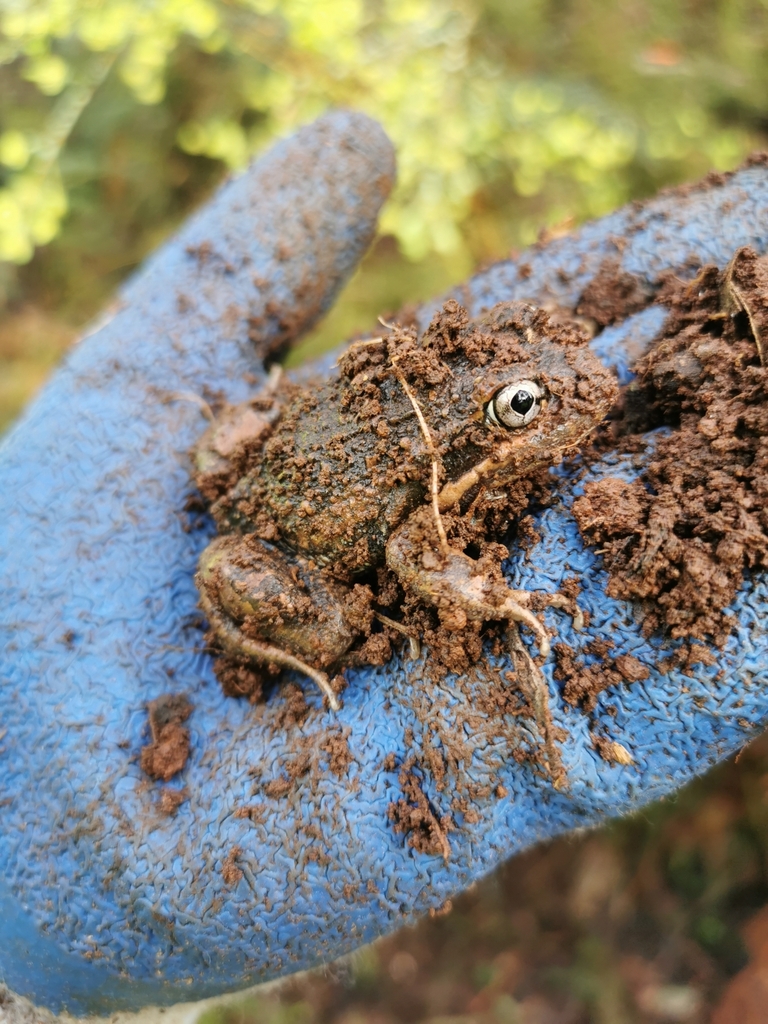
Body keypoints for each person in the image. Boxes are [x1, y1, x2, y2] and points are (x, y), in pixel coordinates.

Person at [1, 112, 767, 1018]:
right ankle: (304, 643)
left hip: (270, 458)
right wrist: (487, 594)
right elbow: (409, 549)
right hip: (281, 551)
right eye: (526, 406)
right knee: (333, 623)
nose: (575, 392)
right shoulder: (429, 488)